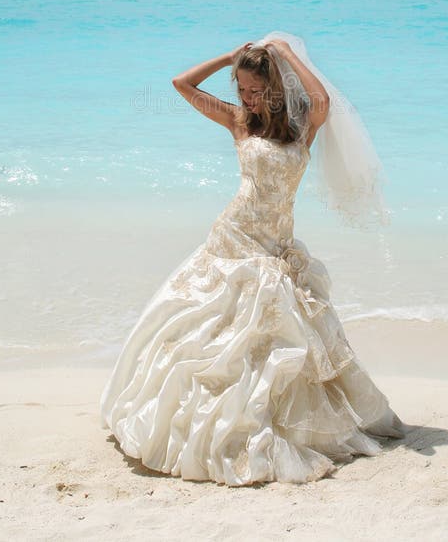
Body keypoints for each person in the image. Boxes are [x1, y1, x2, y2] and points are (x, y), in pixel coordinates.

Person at [100, 35, 406, 486]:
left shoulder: (304, 126)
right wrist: (230, 57)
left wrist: (288, 56)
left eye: (256, 90)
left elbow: (320, 97)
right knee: (216, 335)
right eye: (241, 88)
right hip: (233, 238)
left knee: (283, 338)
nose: (247, 97)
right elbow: (181, 84)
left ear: (276, 88)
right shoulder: (239, 121)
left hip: (276, 243)